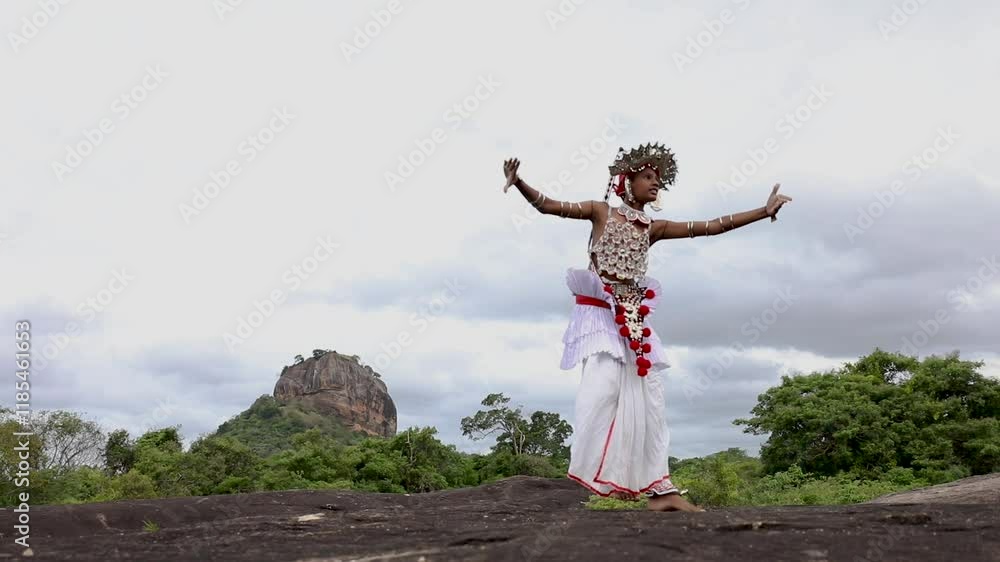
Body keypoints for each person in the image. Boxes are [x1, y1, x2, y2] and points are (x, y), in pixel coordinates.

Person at [501, 143, 792, 512]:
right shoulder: (600, 211)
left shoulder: (653, 227)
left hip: (634, 319)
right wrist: (519, 182)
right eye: (649, 177)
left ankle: (661, 491)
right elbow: (549, 205)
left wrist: (763, 211)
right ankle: (599, 475)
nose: (656, 184)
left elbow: (713, 226)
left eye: (659, 180)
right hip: (600, 314)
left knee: (651, 400)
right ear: (627, 181)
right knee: (602, 390)